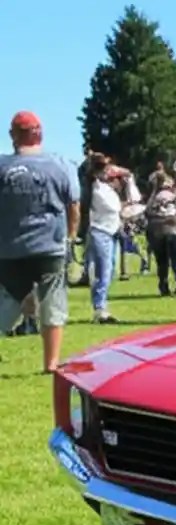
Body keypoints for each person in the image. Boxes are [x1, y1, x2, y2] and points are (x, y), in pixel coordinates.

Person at [0, 111, 79, 372]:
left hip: (9, 248)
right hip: (50, 245)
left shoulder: (2, 166)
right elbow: (74, 206)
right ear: (40, 133)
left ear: (13, 135)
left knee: (6, 302)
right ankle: (51, 363)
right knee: (53, 302)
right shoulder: (60, 165)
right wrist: (70, 238)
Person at [86, 159, 124, 323]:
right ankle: (99, 308)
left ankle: (101, 306)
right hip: (101, 231)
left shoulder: (108, 189)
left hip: (112, 231)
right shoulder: (96, 189)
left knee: (110, 271)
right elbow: (114, 208)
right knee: (104, 271)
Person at [144, 173, 176, 297]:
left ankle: (163, 285)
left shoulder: (154, 197)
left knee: (161, 261)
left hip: (158, 228)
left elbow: (147, 211)